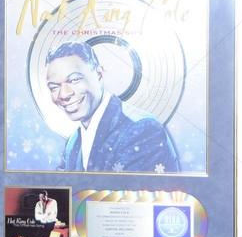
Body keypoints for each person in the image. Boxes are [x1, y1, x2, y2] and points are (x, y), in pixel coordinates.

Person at [45, 41, 179, 173]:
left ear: (99, 75)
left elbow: (125, 193)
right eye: (54, 87)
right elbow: (61, 189)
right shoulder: (73, 143)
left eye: (74, 80)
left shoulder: (142, 129)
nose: (64, 94)